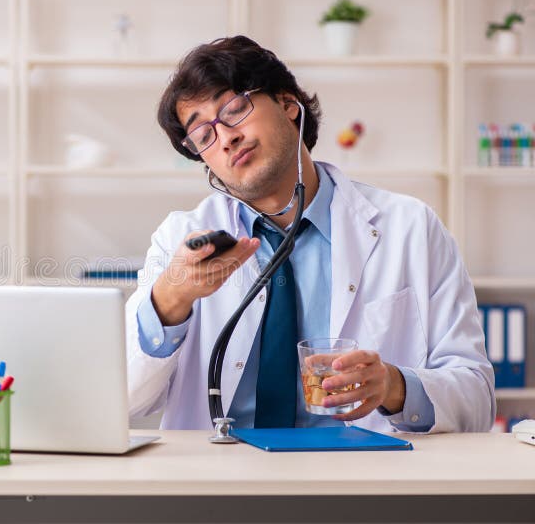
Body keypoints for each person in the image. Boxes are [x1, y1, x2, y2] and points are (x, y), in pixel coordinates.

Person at [125, 36, 494, 433]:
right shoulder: (179, 240)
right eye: (204, 137)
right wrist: (169, 300)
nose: (226, 138)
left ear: (288, 105)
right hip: (221, 482)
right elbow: (126, 401)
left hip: (359, 482)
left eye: (234, 110)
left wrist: (394, 386)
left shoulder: (411, 228)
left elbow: (477, 401)